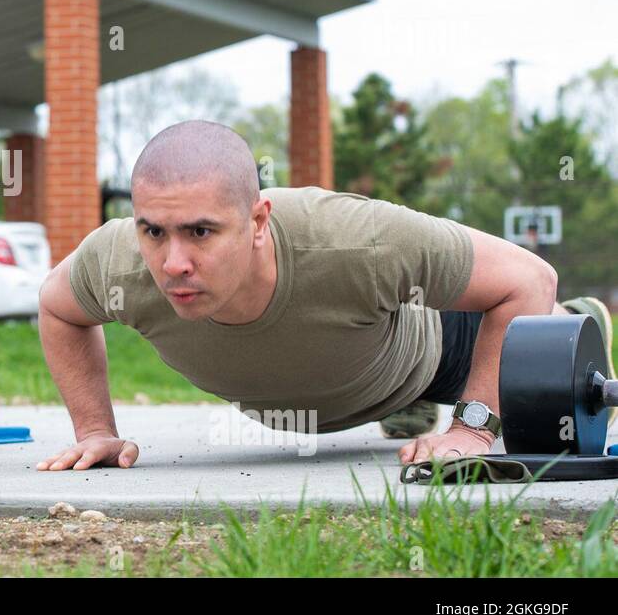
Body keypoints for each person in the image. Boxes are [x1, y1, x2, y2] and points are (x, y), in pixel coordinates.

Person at [35, 120, 610, 471]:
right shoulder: (117, 260)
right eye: (153, 231)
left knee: (541, 358)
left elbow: (528, 279)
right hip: (345, 365)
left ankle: (580, 322)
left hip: (434, 342)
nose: (173, 262)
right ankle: (400, 409)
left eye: (202, 231)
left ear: (259, 220)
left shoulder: (356, 240)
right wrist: (96, 432)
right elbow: (57, 308)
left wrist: (473, 430)